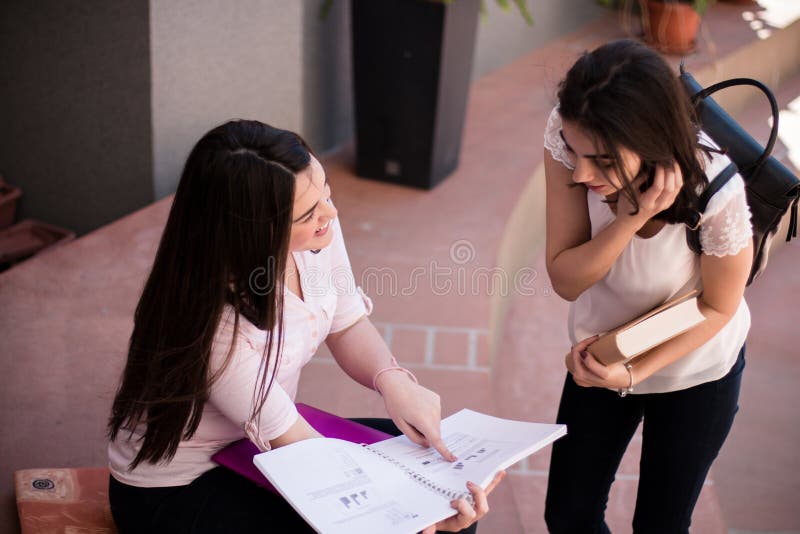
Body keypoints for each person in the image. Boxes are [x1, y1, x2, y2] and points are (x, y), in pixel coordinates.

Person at [107, 120, 504, 533]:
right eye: (310, 213)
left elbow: (346, 323)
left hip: (266, 446)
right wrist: (411, 514)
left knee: (447, 482)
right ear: (253, 232)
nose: (330, 214)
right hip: (185, 487)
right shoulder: (211, 322)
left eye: (326, 193)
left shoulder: (316, 234)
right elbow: (296, 442)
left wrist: (395, 381)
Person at [541, 39, 753, 533]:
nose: (582, 172)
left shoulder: (717, 189)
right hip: (604, 352)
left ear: (651, 140)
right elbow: (565, 280)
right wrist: (630, 219)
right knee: (568, 515)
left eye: (605, 162)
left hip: (696, 367)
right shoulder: (569, 135)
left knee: (660, 524)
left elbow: (719, 307)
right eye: (576, 152)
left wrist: (635, 376)